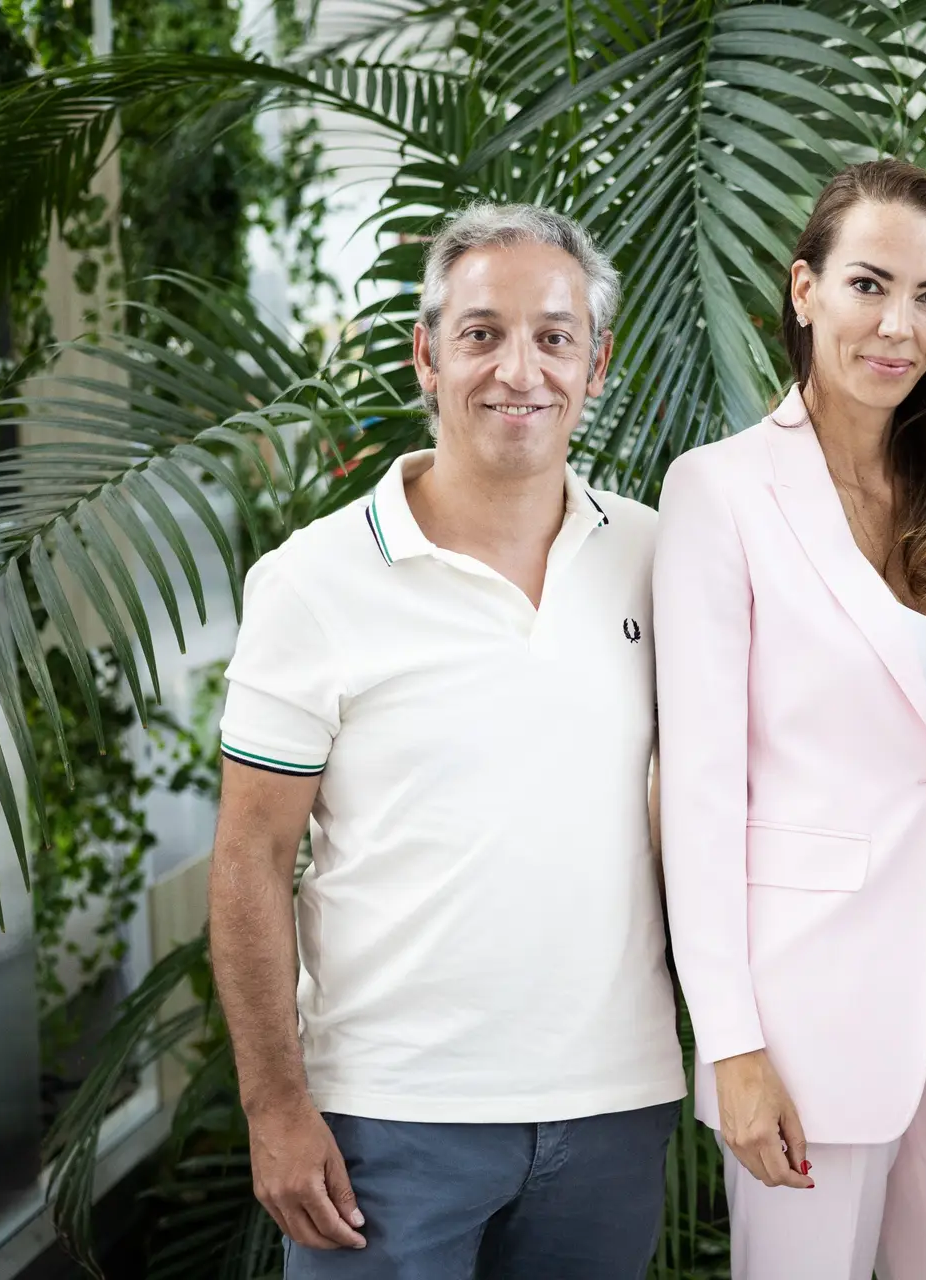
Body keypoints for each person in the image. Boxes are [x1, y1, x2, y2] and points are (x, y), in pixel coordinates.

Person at [210, 203, 684, 1278]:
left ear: (597, 364)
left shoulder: (662, 557)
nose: (519, 368)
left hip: (614, 1106)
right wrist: (275, 1106)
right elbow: (247, 860)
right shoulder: (312, 582)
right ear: (427, 355)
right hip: (386, 1123)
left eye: (555, 336)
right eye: (481, 333)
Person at [654, 159, 926, 1280]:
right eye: (870, 284)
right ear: (804, 290)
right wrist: (730, 1043)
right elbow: (702, 790)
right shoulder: (719, 491)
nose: (901, 325)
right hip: (803, 1022)